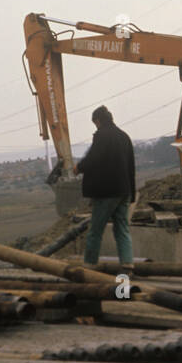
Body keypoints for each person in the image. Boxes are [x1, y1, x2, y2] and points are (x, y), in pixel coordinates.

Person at [75, 105, 136, 267]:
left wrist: (78, 168)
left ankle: (89, 265)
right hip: (124, 191)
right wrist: (132, 194)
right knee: (122, 229)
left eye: (95, 123)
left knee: (95, 231)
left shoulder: (102, 136)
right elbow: (131, 167)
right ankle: (128, 264)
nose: (95, 127)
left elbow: (93, 158)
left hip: (106, 193)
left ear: (98, 120)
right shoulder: (124, 137)